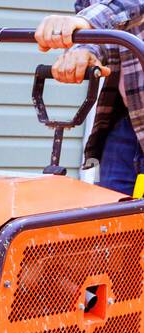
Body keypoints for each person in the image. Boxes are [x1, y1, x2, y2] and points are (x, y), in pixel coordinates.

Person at [37, 5, 144, 193]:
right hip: (129, 117)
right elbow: (118, 31)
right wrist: (86, 48)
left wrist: (87, 22)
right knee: (109, 211)